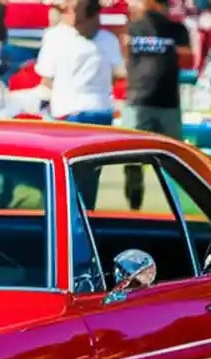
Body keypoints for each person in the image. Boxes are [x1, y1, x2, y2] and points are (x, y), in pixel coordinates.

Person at [123, 0, 191, 209]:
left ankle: (179, 206)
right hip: (138, 101)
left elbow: (189, 61)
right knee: (131, 158)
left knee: (175, 160)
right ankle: (134, 204)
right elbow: (125, 59)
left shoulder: (177, 30)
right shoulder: (132, 28)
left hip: (168, 103)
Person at [34, 0, 125, 126]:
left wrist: (42, 108)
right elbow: (118, 74)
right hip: (102, 109)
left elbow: (46, 78)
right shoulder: (108, 39)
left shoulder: (55, 36)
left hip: (67, 111)